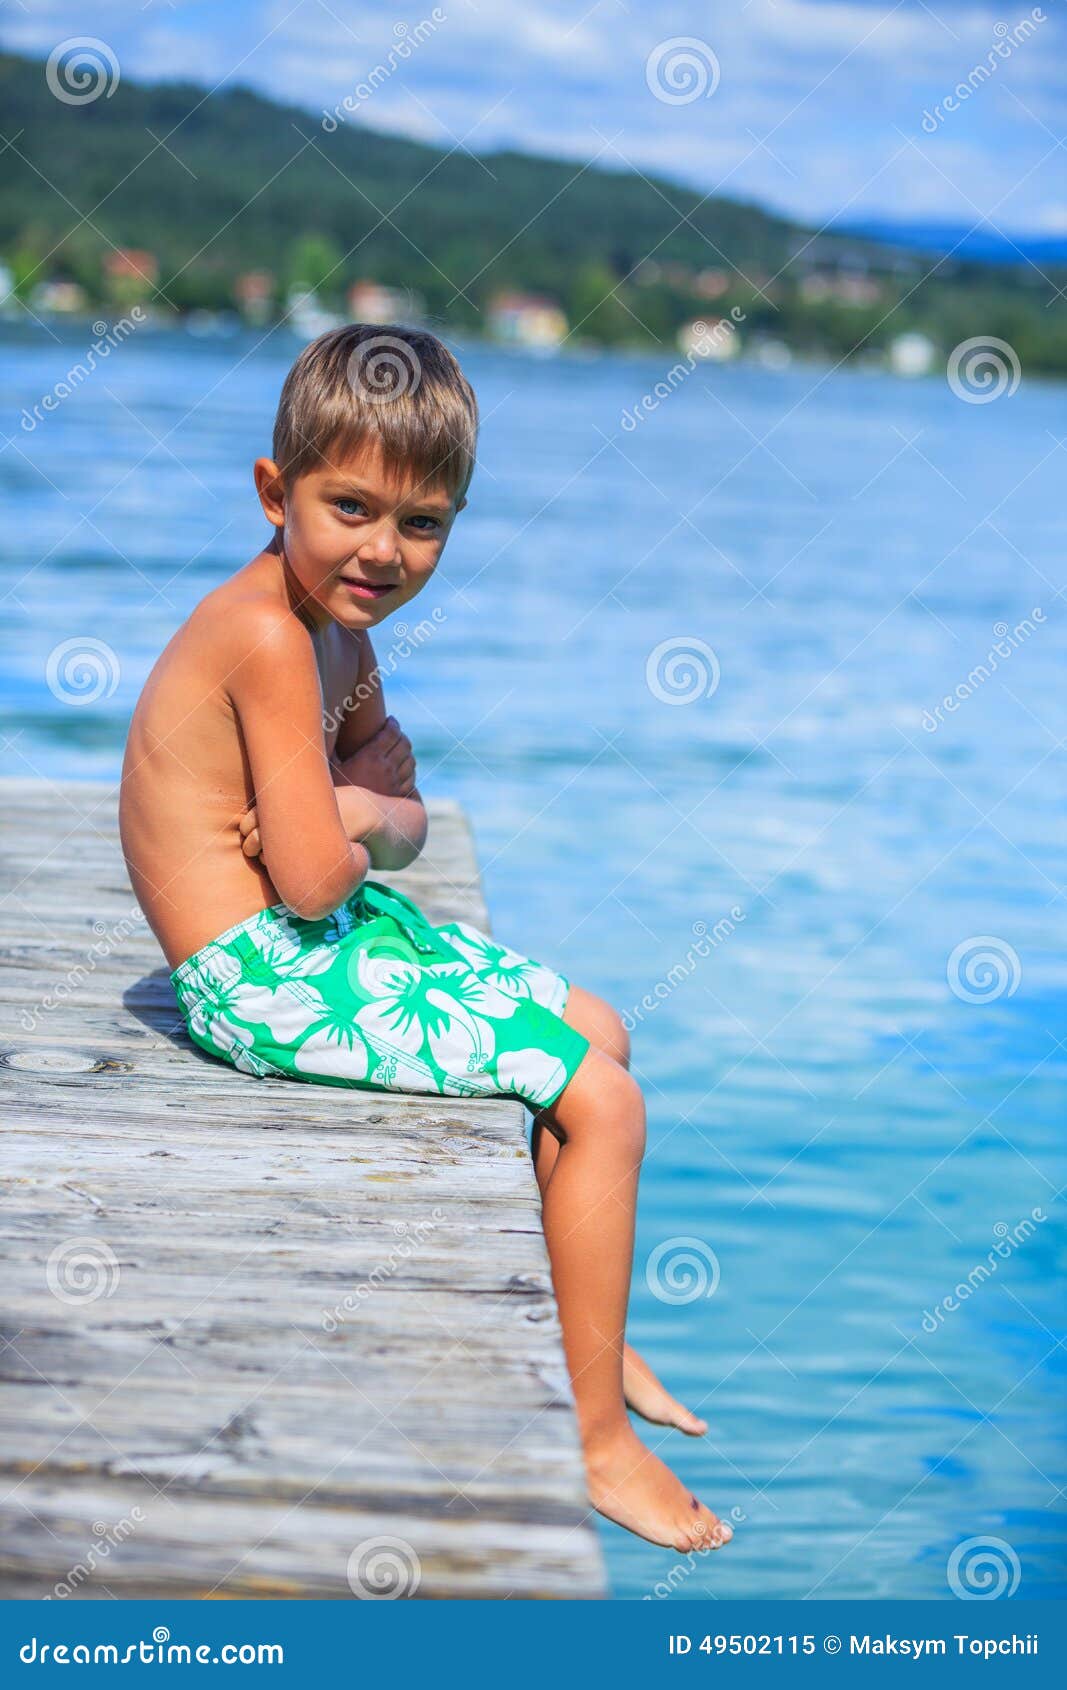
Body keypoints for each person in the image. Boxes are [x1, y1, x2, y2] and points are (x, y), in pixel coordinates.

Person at [119, 323, 730, 1556]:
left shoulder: (339, 633)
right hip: (258, 979)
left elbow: (385, 812)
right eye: (350, 507)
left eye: (424, 523)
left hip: (315, 938)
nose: (383, 551)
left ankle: (585, 1339)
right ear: (272, 490)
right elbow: (308, 876)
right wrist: (362, 811)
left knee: (597, 1030)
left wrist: (366, 810)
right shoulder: (269, 637)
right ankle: (595, 1441)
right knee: (607, 1108)